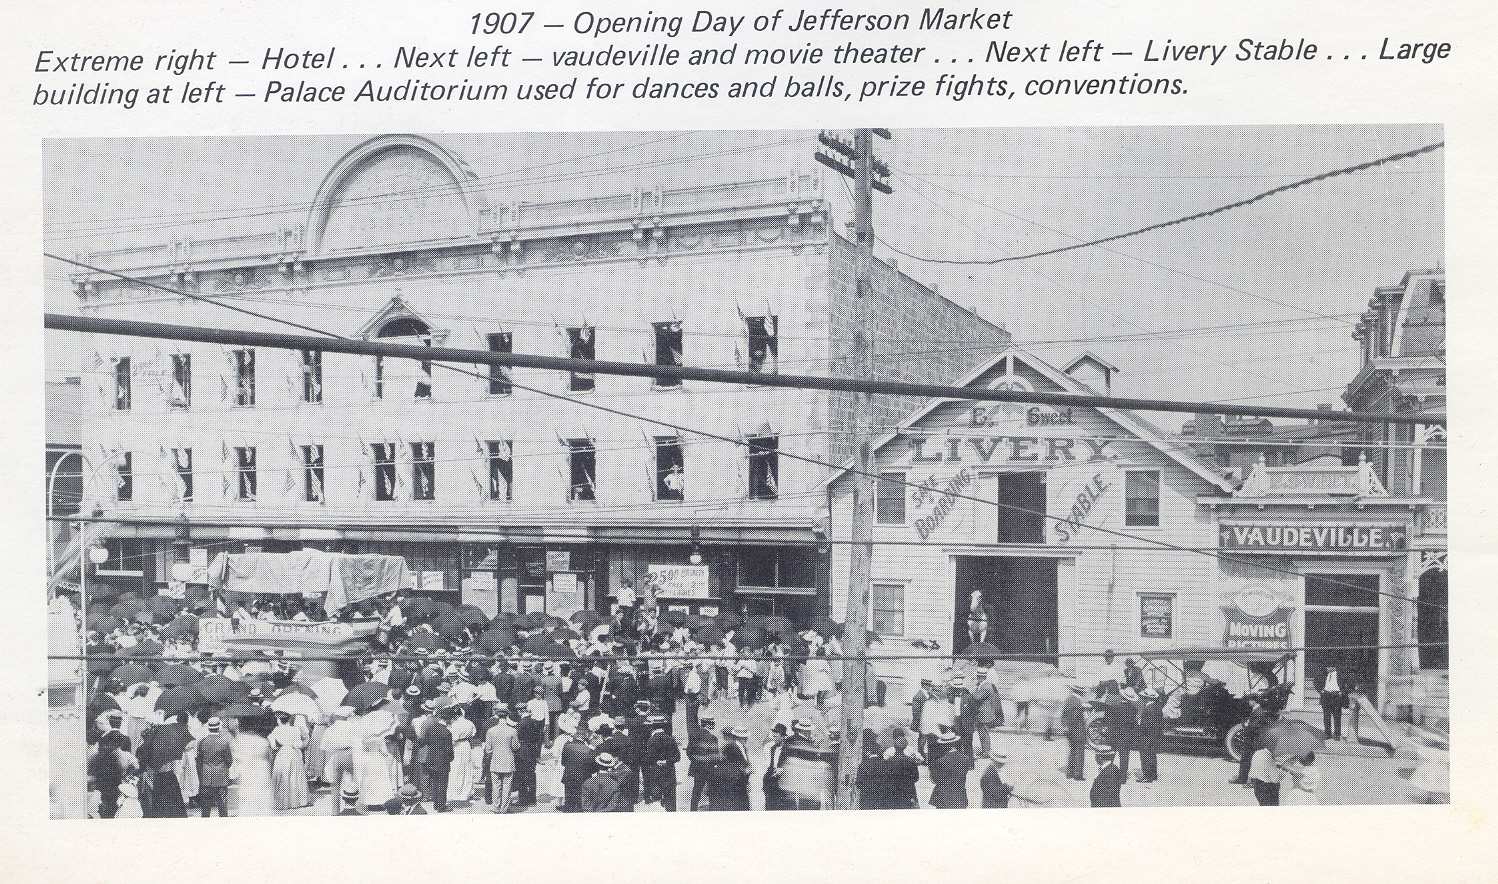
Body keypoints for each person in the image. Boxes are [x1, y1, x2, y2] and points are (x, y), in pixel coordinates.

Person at [228, 716, 275, 817]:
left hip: (246, 774)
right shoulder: (263, 742)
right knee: (262, 804)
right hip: (262, 774)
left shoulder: (237, 741)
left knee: (247, 804)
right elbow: (270, 759)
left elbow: (234, 758)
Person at [416, 706, 455, 812]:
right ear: (449, 719)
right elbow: (449, 751)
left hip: (431, 759)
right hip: (442, 761)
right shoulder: (447, 733)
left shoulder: (430, 728)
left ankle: (435, 803)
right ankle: (441, 805)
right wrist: (450, 759)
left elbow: (422, 742)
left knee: (434, 782)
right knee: (442, 784)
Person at [269, 712, 311, 812]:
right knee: (294, 775)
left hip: (282, 753)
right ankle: (298, 801)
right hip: (292, 753)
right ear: (288, 720)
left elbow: (273, 746)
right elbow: (299, 744)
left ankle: (281, 801)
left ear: (279, 720)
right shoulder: (295, 729)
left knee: (282, 776)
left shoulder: (276, 730)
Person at [195, 717, 233, 817]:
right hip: (221, 777)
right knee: (222, 806)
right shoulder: (224, 742)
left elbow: (198, 761)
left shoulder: (202, 742)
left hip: (206, 777)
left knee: (205, 808)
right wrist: (223, 768)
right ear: (218, 728)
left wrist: (201, 773)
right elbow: (229, 760)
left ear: (208, 728)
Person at [706, 725, 751, 811]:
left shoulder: (742, 747)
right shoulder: (730, 747)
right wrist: (743, 770)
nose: (746, 739)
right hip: (732, 785)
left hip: (739, 784)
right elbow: (727, 766)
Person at [641, 714, 680, 811]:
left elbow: (648, 758)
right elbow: (677, 757)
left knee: (656, 800)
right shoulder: (670, 739)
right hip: (669, 772)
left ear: (653, 726)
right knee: (670, 799)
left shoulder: (651, 740)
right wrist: (667, 761)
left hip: (655, 773)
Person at [484, 709, 520, 813]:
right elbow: (515, 747)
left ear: (497, 715)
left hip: (495, 761)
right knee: (507, 785)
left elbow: (488, 749)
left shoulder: (491, 731)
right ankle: (505, 807)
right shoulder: (512, 730)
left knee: (496, 785)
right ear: (507, 715)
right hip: (508, 761)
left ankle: (496, 806)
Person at [927, 729, 973, 808]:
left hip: (943, 797)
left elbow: (934, 780)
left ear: (944, 745)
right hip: (960, 796)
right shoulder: (965, 759)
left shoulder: (940, 761)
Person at [558, 723, 598, 812]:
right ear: (586, 735)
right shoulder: (589, 750)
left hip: (569, 778)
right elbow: (593, 769)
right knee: (580, 804)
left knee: (569, 803)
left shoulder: (567, 746)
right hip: (583, 779)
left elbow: (563, 763)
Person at [686, 713, 720, 811]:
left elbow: (689, 752)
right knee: (712, 790)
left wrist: (696, 761)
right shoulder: (713, 738)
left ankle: (693, 809)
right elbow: (715, 757)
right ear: (708, 724)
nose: (714, 725)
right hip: (709, 769)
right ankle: (713, 809)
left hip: (697, 768)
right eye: (712, 723)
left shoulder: (694, 736)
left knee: (696, 790)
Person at [883, 729, 923, 809]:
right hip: (909, 791)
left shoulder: (889, 754)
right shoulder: (911, 756)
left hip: (893, 791)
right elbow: (916, 777)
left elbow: (885, 776)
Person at [971, 664, 1005, 757]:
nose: (976, 679)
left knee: (984, 734)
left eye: (977, 677)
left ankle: (986, 752)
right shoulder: (983, 685)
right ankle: (984, 750)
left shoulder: (985, 686)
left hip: (984, 714)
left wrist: (974, 690)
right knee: (982, 733)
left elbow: (976, 697)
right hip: (983, 714)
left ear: (980, 677)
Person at [447, 708, 478, 805]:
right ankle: (467, 792)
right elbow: (473, 733)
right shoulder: (469, 723)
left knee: (456, 769)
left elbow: (454, 738)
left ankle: (456, 792)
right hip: (466, 745)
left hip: (458, 747)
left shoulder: (455, 724)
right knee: (467, 769)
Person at [1135, 687, 1164, 783]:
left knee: (1145, 756)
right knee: (1152, 755)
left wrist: (1139, 727)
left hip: (1146, 736)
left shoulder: (1148, 709)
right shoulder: (1157, 707)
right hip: (1154, 736)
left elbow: (1145, 725)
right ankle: (1153, 774)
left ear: (1147, 698)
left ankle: (1147, 776)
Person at [1061, 684, 1088, 781]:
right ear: (1080, 692)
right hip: (1077, 729)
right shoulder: (1078, 702)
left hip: (1069, 730)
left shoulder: (1068, 699)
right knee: (1079, 752)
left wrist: (1065, 726)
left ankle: (1069, 772)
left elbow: (1064, 714)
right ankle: (1078, 775)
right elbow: (1075, 717)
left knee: (1072, 751)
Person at [761, 723, 790, 811]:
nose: (774, 738)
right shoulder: (771, 748)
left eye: (776, 735)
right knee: (769, 807)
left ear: (782, 736)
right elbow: (768, 764)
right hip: (770, 783)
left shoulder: (787, 749)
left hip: (782, 783)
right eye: (773, 735)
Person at [1319, 665, 1346, 741]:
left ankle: (1337, 734)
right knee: (1326, 717)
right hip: (1326, 696)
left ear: (1334, 667)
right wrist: (1321, 690)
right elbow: (1315, 681)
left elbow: (1349, 684)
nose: (1327, 668)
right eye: (1327, 666)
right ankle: (1327, 734)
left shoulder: (1340, 674)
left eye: (1329, 666)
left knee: (1337, 717)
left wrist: (1342, 692)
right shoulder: (1324, 674)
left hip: (1336, 696)